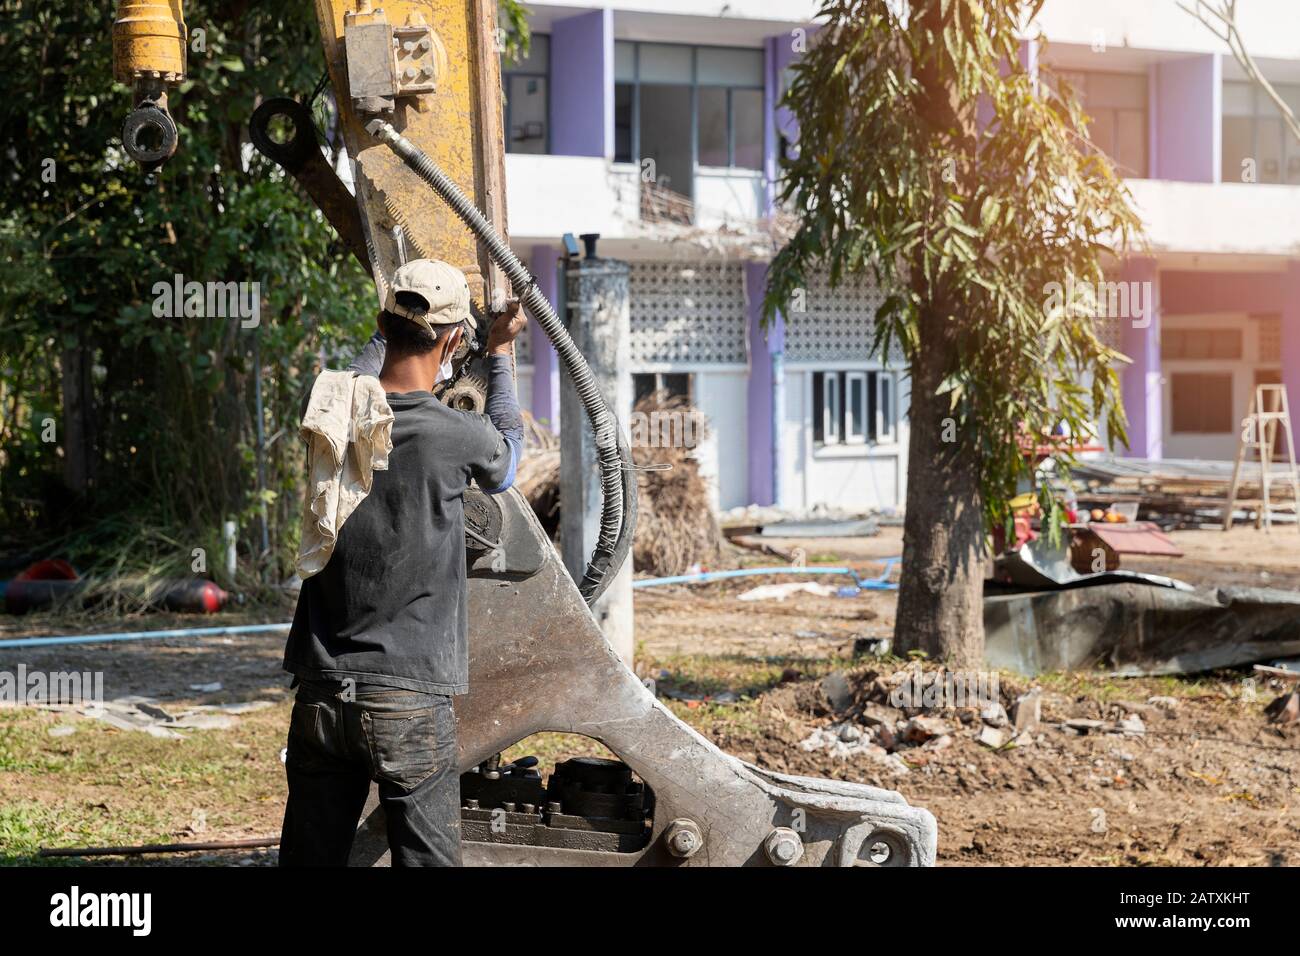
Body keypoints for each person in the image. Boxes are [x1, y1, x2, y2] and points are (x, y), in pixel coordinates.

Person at [279, 259, 525, 867]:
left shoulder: (334, 416)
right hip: (406, 701)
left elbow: (362, 381)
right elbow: (510, 453)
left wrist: (384, 332)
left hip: (321, 693)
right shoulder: (456, 435)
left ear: (381, 326)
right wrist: (498, 355)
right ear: (451, 340)